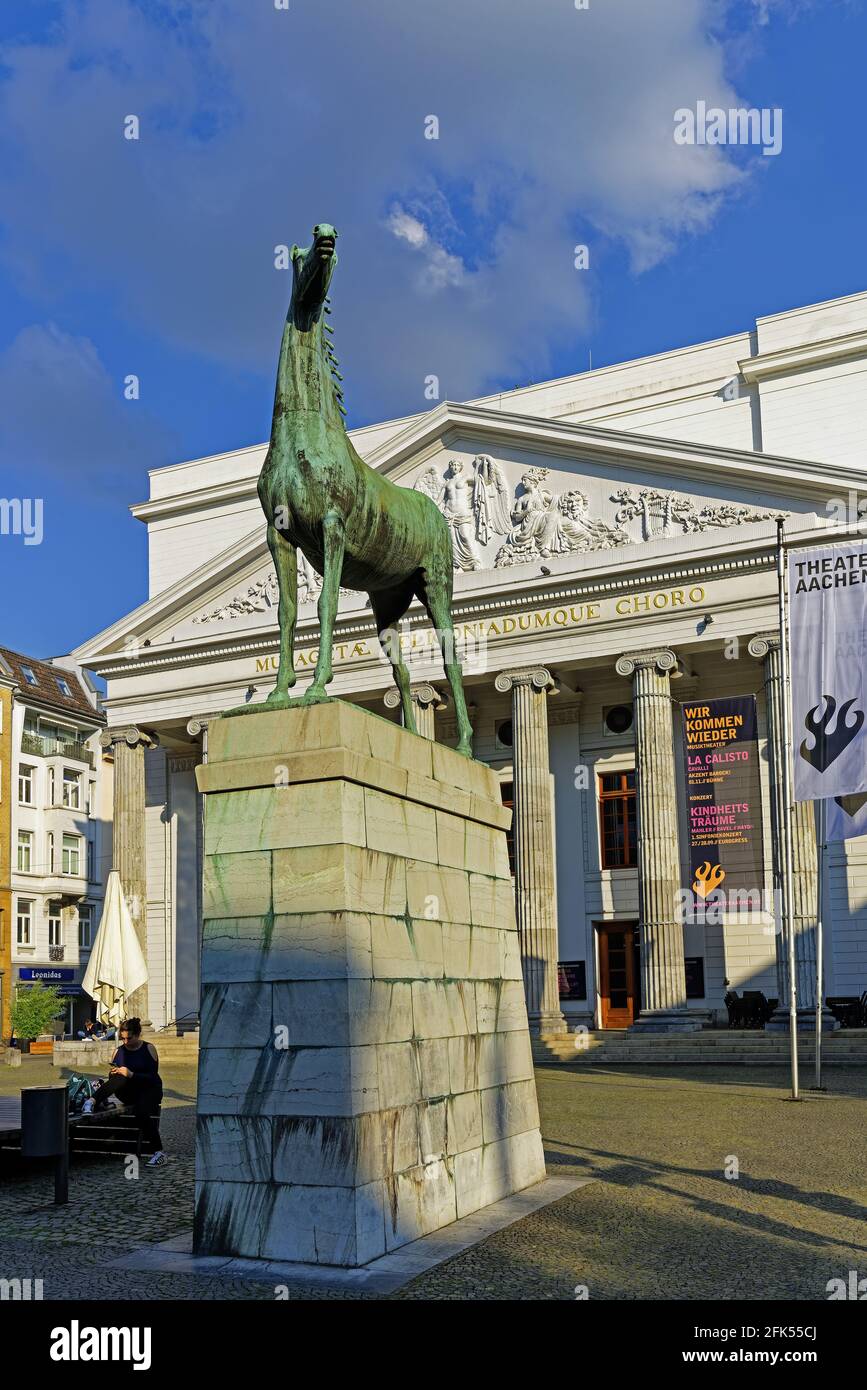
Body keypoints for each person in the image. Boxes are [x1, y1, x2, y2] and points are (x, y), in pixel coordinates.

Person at [83, 1017, 166, 1167]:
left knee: (141, 1110)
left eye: (129, 1038)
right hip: (129, 1091)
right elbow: (114, 1079)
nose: (126, 1042)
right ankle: (91, 1101)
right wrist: (114, 1073)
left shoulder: (148, 1048)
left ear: (138, 1034)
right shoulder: (118, 1051)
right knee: (119, 1077)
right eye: (123, 1038)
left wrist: (131, 1074)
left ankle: (158, 1152)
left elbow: (152, 1078)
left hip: (149, 1090)